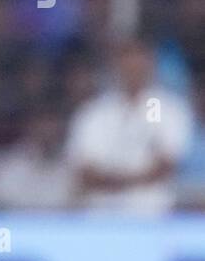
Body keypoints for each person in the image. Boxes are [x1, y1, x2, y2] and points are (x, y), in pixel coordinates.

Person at [65, 36, 193, 214]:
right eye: (126, 59)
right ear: (115, 64)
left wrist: (118, 182)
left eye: (138, 59)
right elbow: (84, 170)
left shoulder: (169, 109)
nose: (132, 67)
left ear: (151, 62)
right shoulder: (94, 113)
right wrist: (127, 181)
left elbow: (167, 165)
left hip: (154, 216)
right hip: (100, 217)